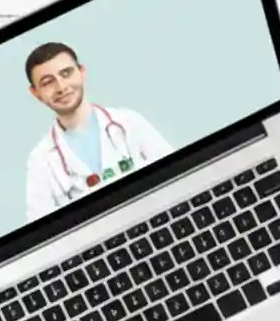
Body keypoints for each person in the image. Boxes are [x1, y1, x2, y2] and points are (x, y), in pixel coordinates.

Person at [23, 42, 172, 222]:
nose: (61, 87)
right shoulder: (41, 160)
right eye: (47, 82)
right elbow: (40, 230)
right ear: (35, 93)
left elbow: (177, 176)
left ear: (82, 72)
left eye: (66, 73)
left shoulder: (130, 123)